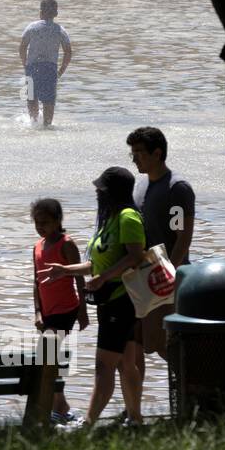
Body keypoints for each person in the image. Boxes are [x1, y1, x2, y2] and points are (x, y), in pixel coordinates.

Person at [40, 167, 146, 427]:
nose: (97, 193)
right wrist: (65, 270)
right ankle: (136, 419)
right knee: (126, 364)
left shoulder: (128, 217)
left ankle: (87, 424)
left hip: (122, 301)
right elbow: (96, 264)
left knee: (103, 366)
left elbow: (135, 257)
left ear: (113, 191)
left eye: (101, 189)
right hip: (111, 300)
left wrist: (102, 278)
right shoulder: (110, 219)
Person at [127, 127, 195, 370]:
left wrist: (169, 274)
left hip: (165, 277)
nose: (135, 159)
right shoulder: (140, 185)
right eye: (132, 153)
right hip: (142, 275)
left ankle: (197, 380)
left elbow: (183, 237)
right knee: (140, 341)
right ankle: (134, 407)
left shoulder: (177, 188)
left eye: (139, 153)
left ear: (157, 154)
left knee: (158, 341)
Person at [30, 198, 89, 423]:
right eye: (36, 223)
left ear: (57, 221)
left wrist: (83, 312)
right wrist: (37, 313)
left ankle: (56, 407)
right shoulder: (37, 246)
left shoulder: (66, 244)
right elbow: (35, 282)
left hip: (66, 309)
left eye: (44, 222)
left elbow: (80, 280)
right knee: (47, 357)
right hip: (46, 312)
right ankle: (60, 406)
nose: (40, 227)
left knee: (46, 353)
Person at [19, 0, 73, 127]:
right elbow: (68, 52)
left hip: (32, 68)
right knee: (49, 102)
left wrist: (25, 65)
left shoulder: (31, 27)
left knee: (32, 99)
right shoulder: (60, 30)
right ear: (56, 14)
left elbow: (22, 47)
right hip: (50, 69)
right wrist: (60, 72)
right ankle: (47, 126)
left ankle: (33, 123)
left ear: (40, 12)